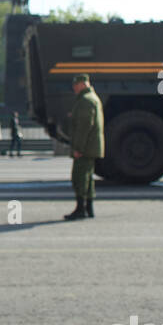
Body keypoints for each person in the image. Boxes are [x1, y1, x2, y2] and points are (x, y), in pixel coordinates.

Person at [65, 74, 105, 220]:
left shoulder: (85, 101)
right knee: (87, 178)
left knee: (79, 177)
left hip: (85, 147)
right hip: (91, 146)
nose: (74, 88)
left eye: (76, 85)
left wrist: (78, 148)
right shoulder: (93, 98)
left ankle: (81, 209)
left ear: (82, 84)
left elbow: (84, 126)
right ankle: (89, 209)